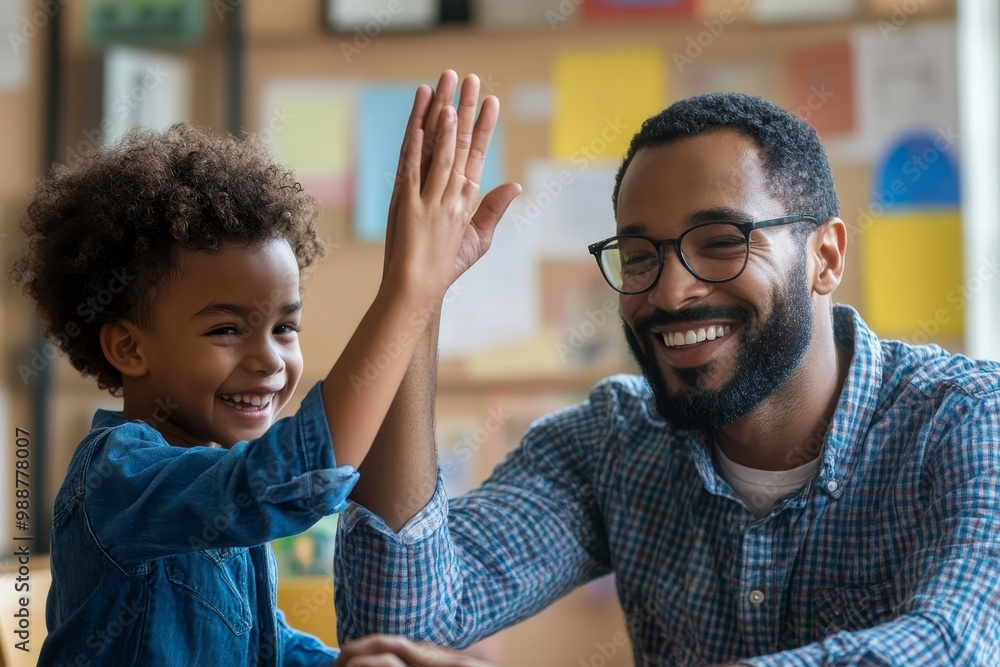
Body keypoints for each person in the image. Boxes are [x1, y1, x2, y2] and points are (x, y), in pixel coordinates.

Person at [334, 92, 1000, 666]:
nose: (671, 291)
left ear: (824, 257)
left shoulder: (970, 419)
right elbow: (397, 629)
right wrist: (414, 299)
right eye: (640, 255)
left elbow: (956, 645)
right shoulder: (612, 444)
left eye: (719, 241)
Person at [12, 70, 520, 665]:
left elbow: (264, 646)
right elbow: (297, 475)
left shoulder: (215, 491)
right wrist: (406, 290)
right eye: (226, 329)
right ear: (129, 347)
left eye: (285, 328)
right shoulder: (115, 477)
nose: (270, 359)